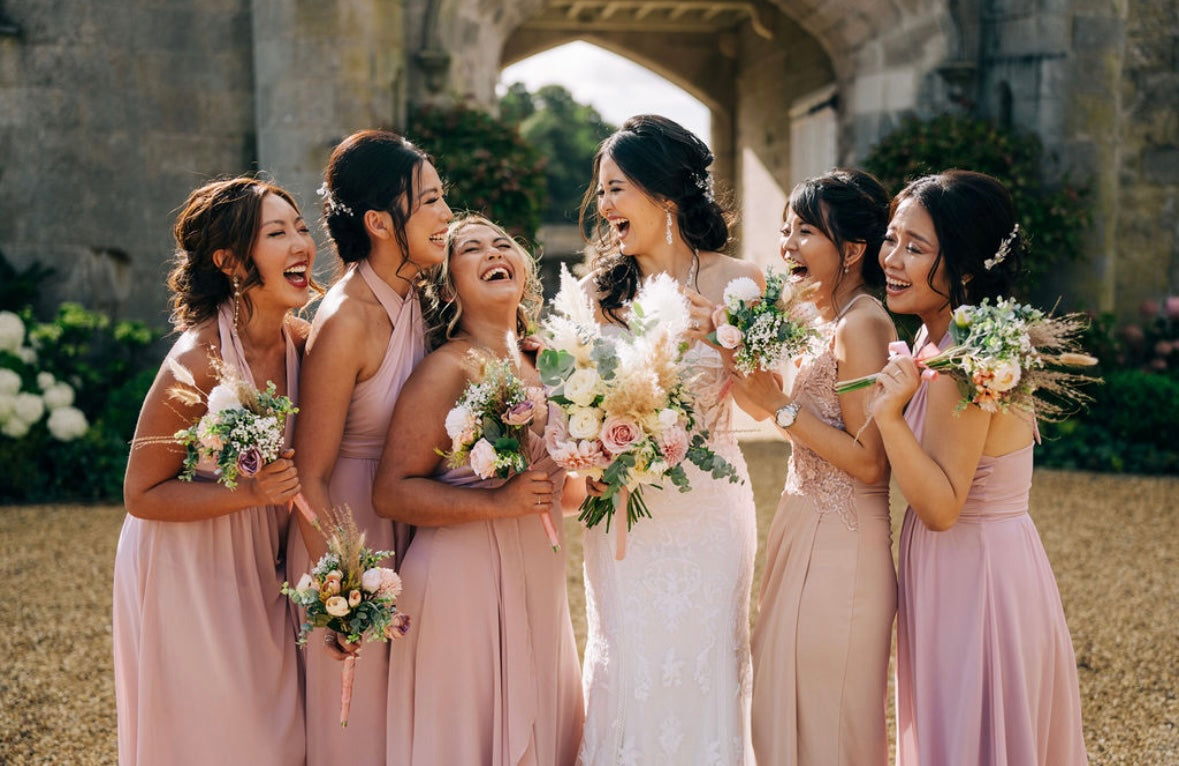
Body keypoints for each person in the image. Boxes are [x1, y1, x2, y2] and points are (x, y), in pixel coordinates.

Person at [872, 170, 1087, 765]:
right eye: (892, 239)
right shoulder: (948, 343)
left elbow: (941, 507)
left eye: (915, 248)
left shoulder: (962, 365)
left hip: (971, 576)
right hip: (995, 561)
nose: (892, 258)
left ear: (965, 268)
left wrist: (889, 417)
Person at [576, 114, 760, 764]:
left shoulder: (738, 281)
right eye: (601, 191)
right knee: (627, 664)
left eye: (616, 188)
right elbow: (577, 405)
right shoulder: (598, 295)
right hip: (626, 515)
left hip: (710, 509)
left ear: (665, 197)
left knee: (707, 665)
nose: (603, 206)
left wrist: (727, 340)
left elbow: (768, 398)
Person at [113, 177, 316, 765]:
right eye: (276, 233)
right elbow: (141, 492)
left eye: (300, 227)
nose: (301, 242)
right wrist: (251, 491)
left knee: (277, 734)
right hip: (185, 563)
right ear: (229, 260)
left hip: (260, 559)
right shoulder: (196, 362)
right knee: (216, 732)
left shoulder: (304, 343)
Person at [375, 215, 584, 765]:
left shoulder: (552, 364)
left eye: (502, 244)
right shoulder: (445, 369)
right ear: (448, 286)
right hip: (461, 584)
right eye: (471, 249)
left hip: (537, 574)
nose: (494, 252)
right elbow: (391, 492)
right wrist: (495, 501)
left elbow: (568, 496)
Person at [287, 129, 452, 765]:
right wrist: (343, 593)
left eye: (444, 198)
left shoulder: (423, 297)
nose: (446, 217)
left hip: (412, 524)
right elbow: (309, 476)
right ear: (381, 222)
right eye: (430, 201)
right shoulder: (346, 317)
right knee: (355, 732)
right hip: (348, 536)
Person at [730, 169, 897, 765]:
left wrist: (779, 403)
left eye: (805, 231)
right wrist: (728, 355)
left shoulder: (863, 324)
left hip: (844, 539)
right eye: (785, 230)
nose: (787, 245)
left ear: (852, 249)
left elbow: (870, 460)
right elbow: (785, 415)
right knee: (783, 703)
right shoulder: (823, 320)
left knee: (830, 715)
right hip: (801, 522)